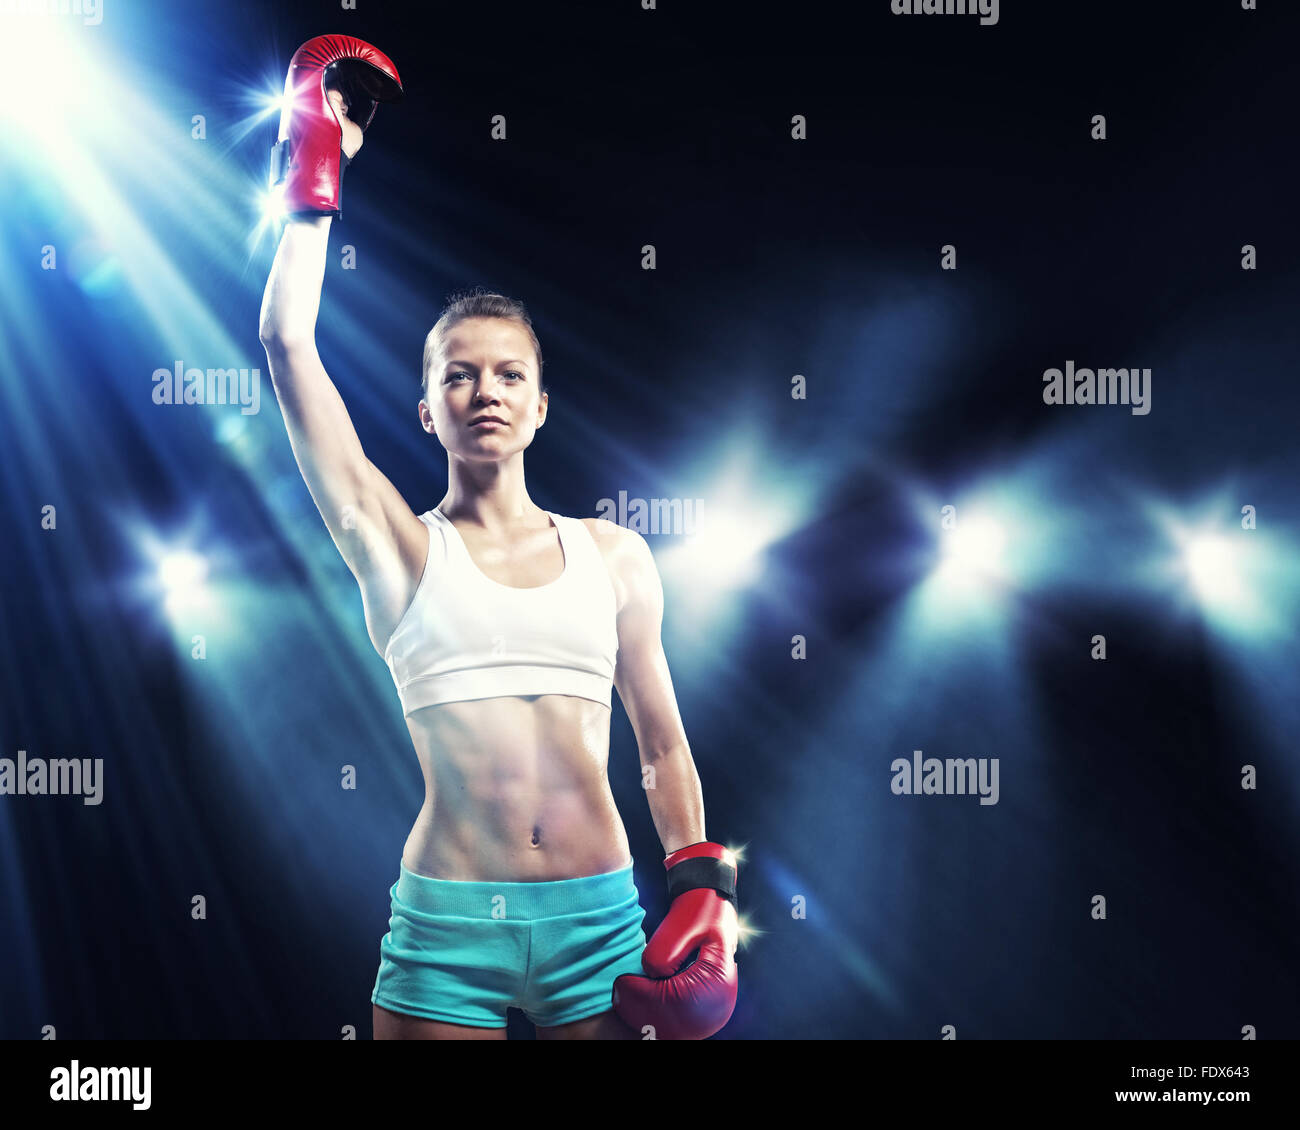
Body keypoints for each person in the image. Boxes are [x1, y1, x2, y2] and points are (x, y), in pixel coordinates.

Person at [258, 36, 738, 1040]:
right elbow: (287, 342)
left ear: (540, 406)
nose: (486, 390)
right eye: (460, 373)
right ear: (428, 407)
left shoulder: (615, 556)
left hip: (600, 922)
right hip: (448, 924)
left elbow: (661, 742)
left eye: (509, 373)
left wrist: (700, 884)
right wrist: (313, 171)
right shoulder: (393, 546)